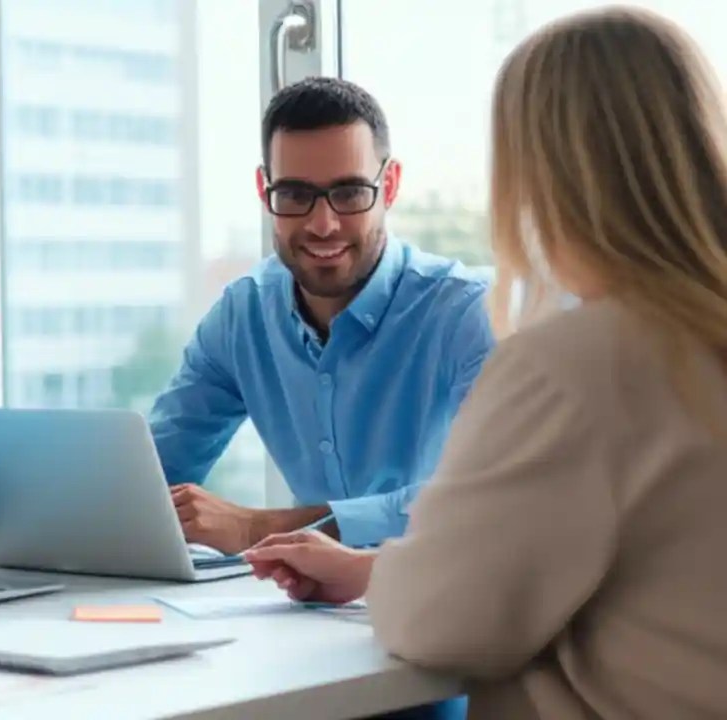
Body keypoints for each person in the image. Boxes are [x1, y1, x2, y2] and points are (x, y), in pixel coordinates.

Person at [243, 7, 727, 718]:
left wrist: (389, 576)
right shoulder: (686, 341)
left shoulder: (578, 364)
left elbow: (445, 624)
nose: (324, 223)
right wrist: (371, 571)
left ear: (541, 174)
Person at [154, 77, 494, 554]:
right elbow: (153, 475)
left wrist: (257, 529)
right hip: (305, 613)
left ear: (389, 185)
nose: (322, 224)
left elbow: (482, 500)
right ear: (263, 189)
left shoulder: (468, 313)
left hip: (447, 605)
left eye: (350, 193)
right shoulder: (243, 315)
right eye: (294, 195)